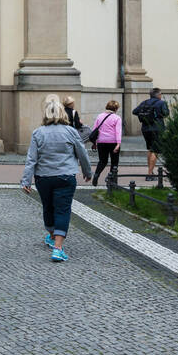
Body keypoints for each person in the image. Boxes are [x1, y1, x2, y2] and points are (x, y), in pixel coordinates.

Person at [21, 94, 90, 263]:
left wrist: (26, 180)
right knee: (63, 209)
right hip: (65, 176)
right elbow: (82, 153)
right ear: (62, 114)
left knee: (48, 207)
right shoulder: (71, 131)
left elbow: (32, 158)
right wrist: (88, 172)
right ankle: (58, 248)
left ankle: (52, 236)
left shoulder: (38, 133)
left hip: (43, 177)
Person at [133, 88, 170, 180]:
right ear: (158, 95)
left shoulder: (144, 102)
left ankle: (150, 171)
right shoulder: (161, 103)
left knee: (150, 149)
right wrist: (157, 115)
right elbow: (166, 113)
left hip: (145, 129)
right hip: (157, 128)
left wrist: (145, 116)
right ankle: (149, 175)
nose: (161, 95)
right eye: (161, 94)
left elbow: (135, 111)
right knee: (155, 150)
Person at [90, 99, 123, 186]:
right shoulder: (117, 118)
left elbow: (94, 130)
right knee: (114, 162)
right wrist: (118, 144)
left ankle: (96, 175)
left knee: (102, 161)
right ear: (116, 109)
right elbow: (118, 132)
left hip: (101, 142)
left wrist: (94, 143)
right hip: (113, 142)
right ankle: (111, 182)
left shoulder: (99, 116)